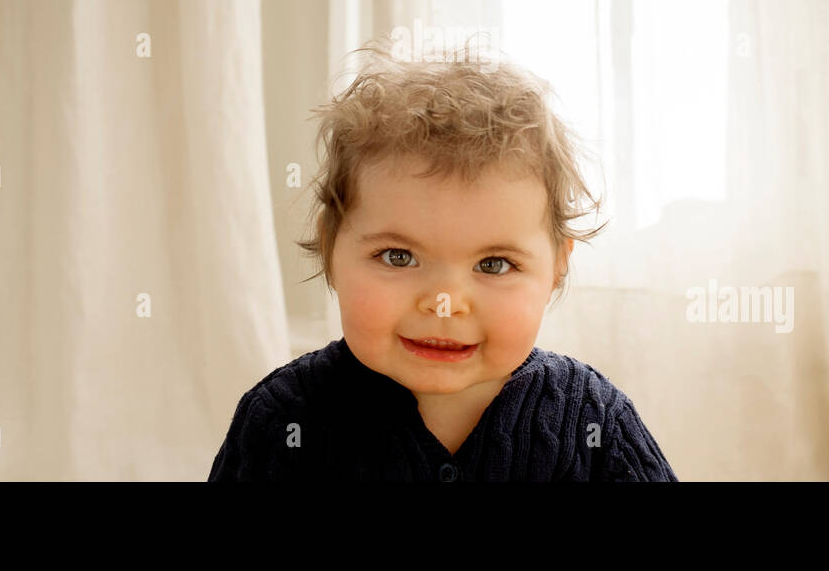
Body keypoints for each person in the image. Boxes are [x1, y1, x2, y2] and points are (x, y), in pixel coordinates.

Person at [208, 34, 678, 481]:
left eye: (493, 264)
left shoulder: (594, 421)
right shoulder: (282, 417)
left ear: (558, 266)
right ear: (331, 247)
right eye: (397, 257)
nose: (444, 304)